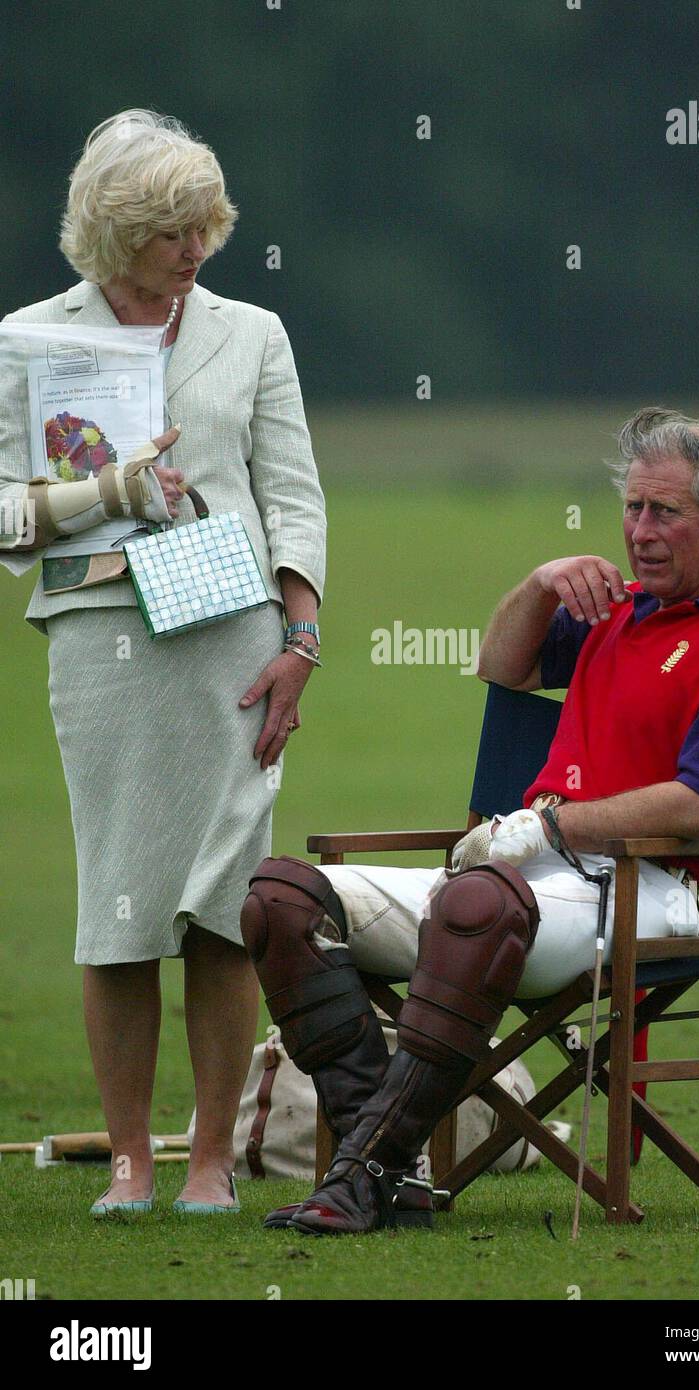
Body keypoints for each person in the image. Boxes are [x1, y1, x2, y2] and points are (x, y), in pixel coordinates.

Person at [240, 406, 699, 1236]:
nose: (641, 532)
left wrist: (546, 827)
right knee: (280, 898)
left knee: (475, 907)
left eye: (667, 513)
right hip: (515, 884)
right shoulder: (620, 612)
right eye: (632, 508)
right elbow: (501, 665)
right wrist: (544, 583)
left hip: (647, 893)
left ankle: (363, 1171)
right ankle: (382, 1167)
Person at [0, 110, 326, 1215]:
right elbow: (7, 517)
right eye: (171, 231)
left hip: (233, 641)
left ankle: (213, 1162)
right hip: (101, 643)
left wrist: (302, 640)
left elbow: (291, 494)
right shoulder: (30, 338)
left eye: (206, 226)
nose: (196, 250)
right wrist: (112, 494)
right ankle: (133, 1162)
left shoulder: (253, 331)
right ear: (111, 230)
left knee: (226, 906)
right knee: (122, 905)